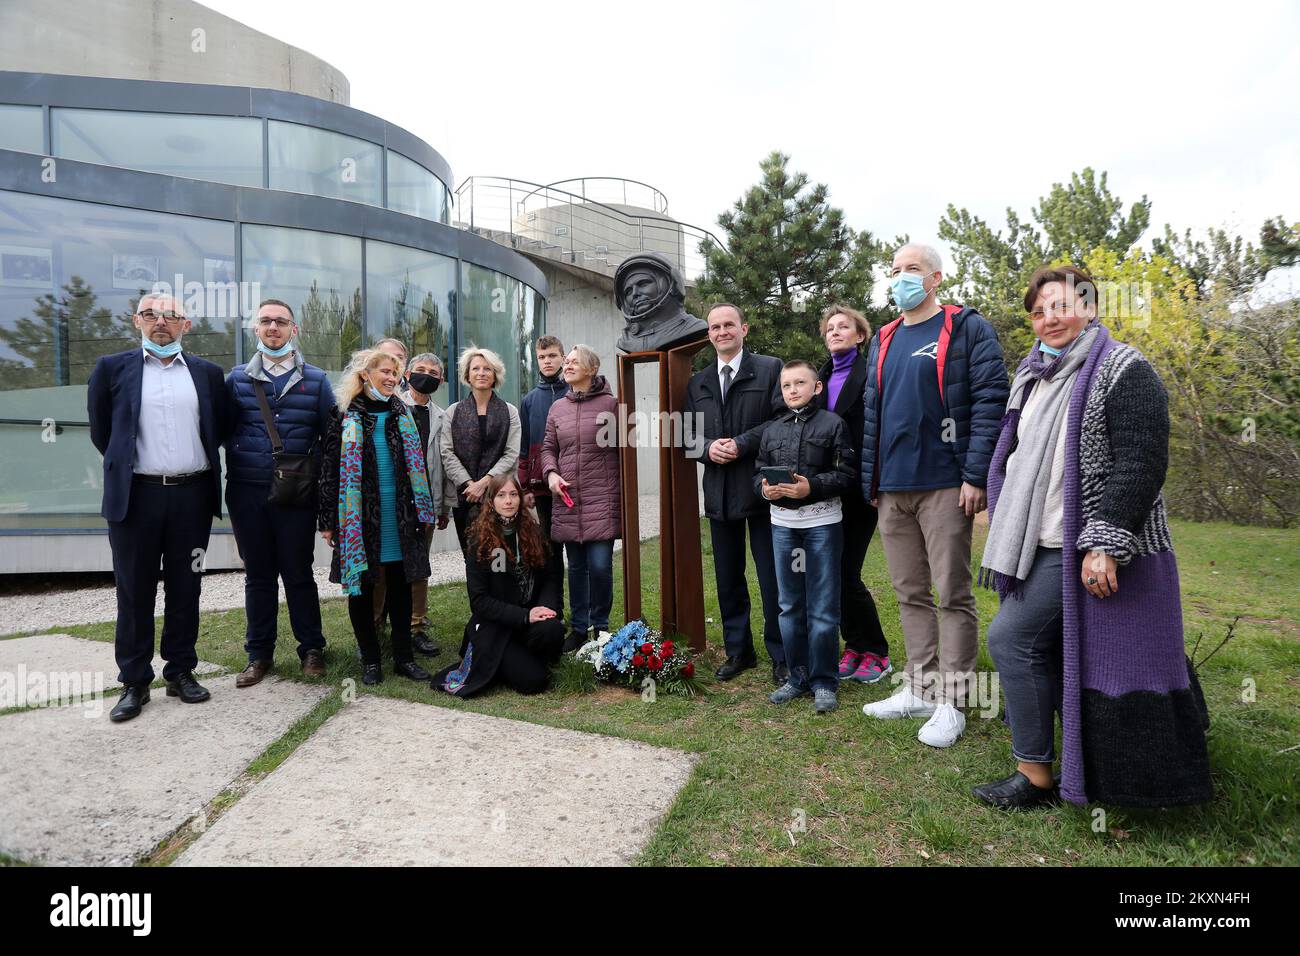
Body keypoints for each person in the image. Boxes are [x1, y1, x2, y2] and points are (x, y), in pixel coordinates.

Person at [973, 265, 1211, 810]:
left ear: (1090, 306)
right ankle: (1101, 753)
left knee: (1012, 640)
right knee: (1058, 649)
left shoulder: (1122, 367)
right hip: (1041, 539)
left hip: (1086, 543)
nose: (1048, 318)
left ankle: (1034, 777)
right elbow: (1013, 453)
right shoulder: (1032, 377)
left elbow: (1141, 458)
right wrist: (1004, 505)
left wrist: (1104, 540)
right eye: (1038, 311)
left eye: (1060, 305)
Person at [860, 243, 1008, 748]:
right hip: (893, 486)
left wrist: (976, 475)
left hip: (946, 482)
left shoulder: (966, 327)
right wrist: (873, 481)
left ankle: (953, 700)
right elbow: (875, 414)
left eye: (913, 270)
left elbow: (991, 400)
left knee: (952, 594)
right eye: (895, 270)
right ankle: (919, 688)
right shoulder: (883, 338)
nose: (901, 277)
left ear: (936, 278)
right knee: (909, 592)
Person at [87, 293, 229, 722]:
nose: (161, 322)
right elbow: (104, 434)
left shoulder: (206, 374)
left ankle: (180, 671)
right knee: (135, 591)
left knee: (187, 586)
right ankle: (134, 681)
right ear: (136, 321)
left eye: (171, 316)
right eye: (151, 314)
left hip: (192, 498)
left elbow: (218, 428)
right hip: (136, 499)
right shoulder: (111, 369)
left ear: (186, 324)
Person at [224, 298, 334, 687]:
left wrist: (324, 500)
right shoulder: (236, 379)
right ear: (255, 328)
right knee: (258, 575)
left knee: (299, 573)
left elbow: (330, 439)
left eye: (281, 322)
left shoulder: (317, 380)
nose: (273, 327)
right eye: (266, 321)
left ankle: (312, 649)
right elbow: (223, 432)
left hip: (297, 494)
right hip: (247, 492)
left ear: (294, 330)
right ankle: (258, 655)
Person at [318, 348, 437, 685]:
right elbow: (328, 470)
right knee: (362, 590)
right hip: (358, 520)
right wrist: (327, 520)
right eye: (384, 371)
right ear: (364, 374)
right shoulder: (342, 415)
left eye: (395, 373)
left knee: (401, 587)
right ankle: (371, 660)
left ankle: (403, 658)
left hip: (399, 516)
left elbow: (419, 468)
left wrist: (424, 508)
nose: (391, 378)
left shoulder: (403, 413)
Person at [683, 304, 787, 683]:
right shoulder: (699, 382)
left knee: (772, 578)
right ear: (708, 335)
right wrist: (707, 448)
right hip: (719, 495)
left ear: (744, 328)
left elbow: (780, 421)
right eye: (715, 327)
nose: (722, 331)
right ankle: (739, 651)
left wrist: (741, 444)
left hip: (762, 491)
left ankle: (782, 653)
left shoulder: (770, 368)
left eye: (729, 325)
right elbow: (685, 436)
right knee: (728, 579)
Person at [755, 359, 857, 713]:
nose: (793, 390)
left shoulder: (834, 425)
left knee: (824, 607)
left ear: (817, 387)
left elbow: (847, 476)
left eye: (800, 383)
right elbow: (758, 476)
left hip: (822, 526)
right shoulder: (771, 430)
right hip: (783, 528)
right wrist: (765, 491)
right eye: (786, 385)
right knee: (789, 606)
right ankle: (797, 677)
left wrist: (810, 487)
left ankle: (825, 681)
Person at [434, 474, 565, 697]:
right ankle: (500, 661)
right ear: (491, 501)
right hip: (495, 627)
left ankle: (516, 658)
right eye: (501, 495)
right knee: (534, 682)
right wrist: (524, 615)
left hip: (529, 620)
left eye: (514, 494)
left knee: (553, 629)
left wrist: (544, 608)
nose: (508, 501)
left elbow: (550, 576)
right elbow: (480, 601)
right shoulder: (480, 541)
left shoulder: (533, 533)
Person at [815, 304, 892, 685]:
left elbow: (881, 431)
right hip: (826, 487)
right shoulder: (820, 376)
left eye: (843, 326)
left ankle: (876, 650)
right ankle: (854, 646)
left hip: (860, 486)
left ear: (860, 336)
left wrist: (877, 481)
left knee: (847, 571)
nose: (835, 332)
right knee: (831, 571)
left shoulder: (872, 374)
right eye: (830, 328)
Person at [539, 345, 621, 652]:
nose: (567, 366)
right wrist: (551, 474)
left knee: (600, 566)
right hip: (568, 498)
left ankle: (600, 629)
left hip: (602, 499)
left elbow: (626, 451)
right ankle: (577, 628)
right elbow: (548, 448)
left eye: (575, 362)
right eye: (567, 362)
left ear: (592, 368)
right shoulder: (557, 408)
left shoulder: (612, 405)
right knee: (575, 568)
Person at [439, 346, 522, 552]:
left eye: (488, 369)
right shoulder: (453, 412)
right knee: (471, 557)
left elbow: (511, 453)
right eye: (476, 368)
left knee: (501, 554)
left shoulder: (510, 411)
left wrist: (485, 483)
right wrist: (469, 483)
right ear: (468, 374)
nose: (482, 373)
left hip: (499, 494)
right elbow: (447, 453)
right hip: (465, 495)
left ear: (495, 375)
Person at [402, 351, 452, 656]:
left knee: (420, 567)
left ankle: (416, 626)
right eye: (420, 370)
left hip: (426, 505)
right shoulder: (391, 407)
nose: (426, 375)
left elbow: (445, 465)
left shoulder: (443, 417)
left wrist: (443, 507)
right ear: (407, 375)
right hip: (394, 503)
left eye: (433, 372)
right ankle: (379, 624)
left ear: (441, 380)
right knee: (385, 568)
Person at [518, 335, 569, 608]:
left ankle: (584, 616)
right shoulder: (529, 400)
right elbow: (525, 448)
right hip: (541, 488)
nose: (547, 361)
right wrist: (525, 488)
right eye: (542, 357)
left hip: (573, 482)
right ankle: (553, 608)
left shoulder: (573, 393)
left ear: (562, 357)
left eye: (552, 356)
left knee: (576, 551)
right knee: (548, 551)